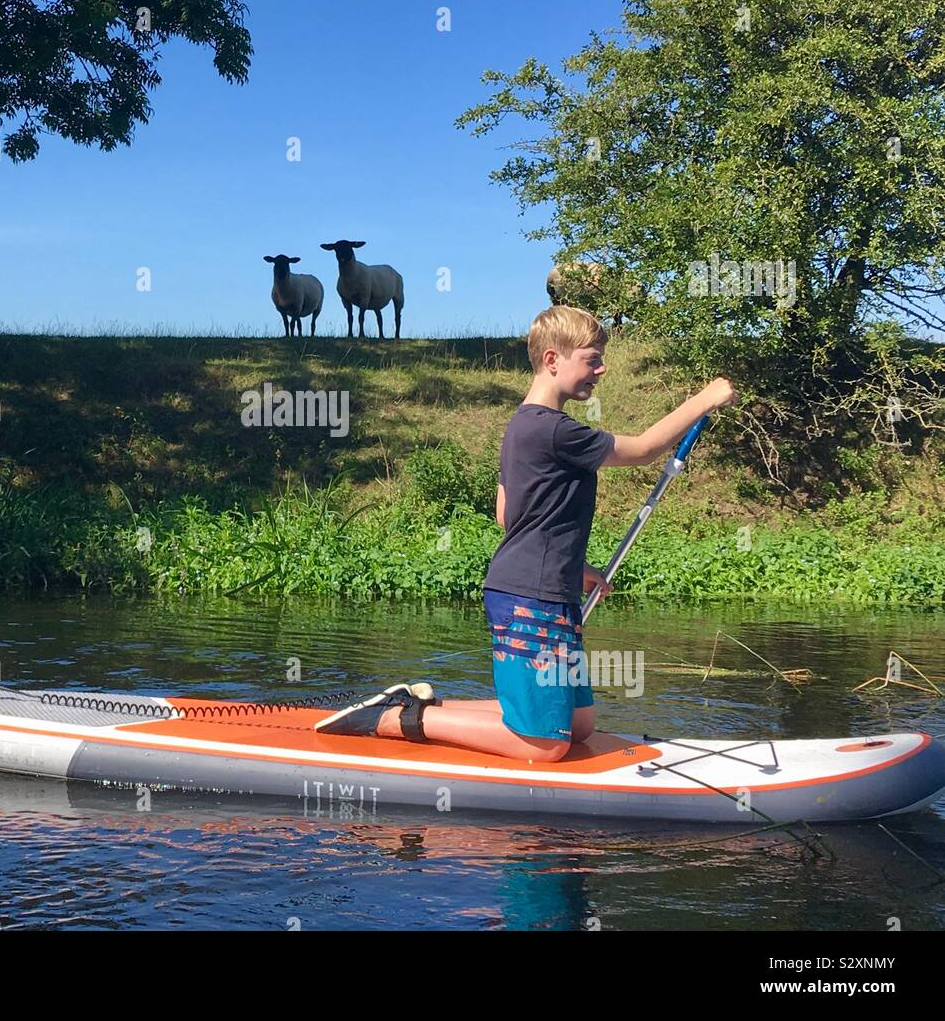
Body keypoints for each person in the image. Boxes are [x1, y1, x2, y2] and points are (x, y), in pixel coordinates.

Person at [316, 305, 737, 761]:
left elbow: (507, 515)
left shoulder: (521, 426)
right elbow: (642, 450)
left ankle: (427, 704)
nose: (602, 368)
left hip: (545, 588)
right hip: (528, 598)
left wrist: (572, 568)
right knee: (547, 745)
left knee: (579, 726)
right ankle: (396, 717)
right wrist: (705, 398)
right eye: (592, 359)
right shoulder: (554, 430)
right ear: (553, 359)